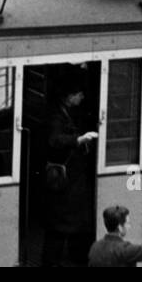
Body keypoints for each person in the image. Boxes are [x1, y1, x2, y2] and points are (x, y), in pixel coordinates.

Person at [43, 77, 99, 266]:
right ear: (69, 96)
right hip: (67, 179)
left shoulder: (65, 111)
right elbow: (54, 140)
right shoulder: (57, 116)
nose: (82, 97)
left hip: (70, 178)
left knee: (68, 222)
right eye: (79, 94)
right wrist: (79, 140)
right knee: (65, 223)